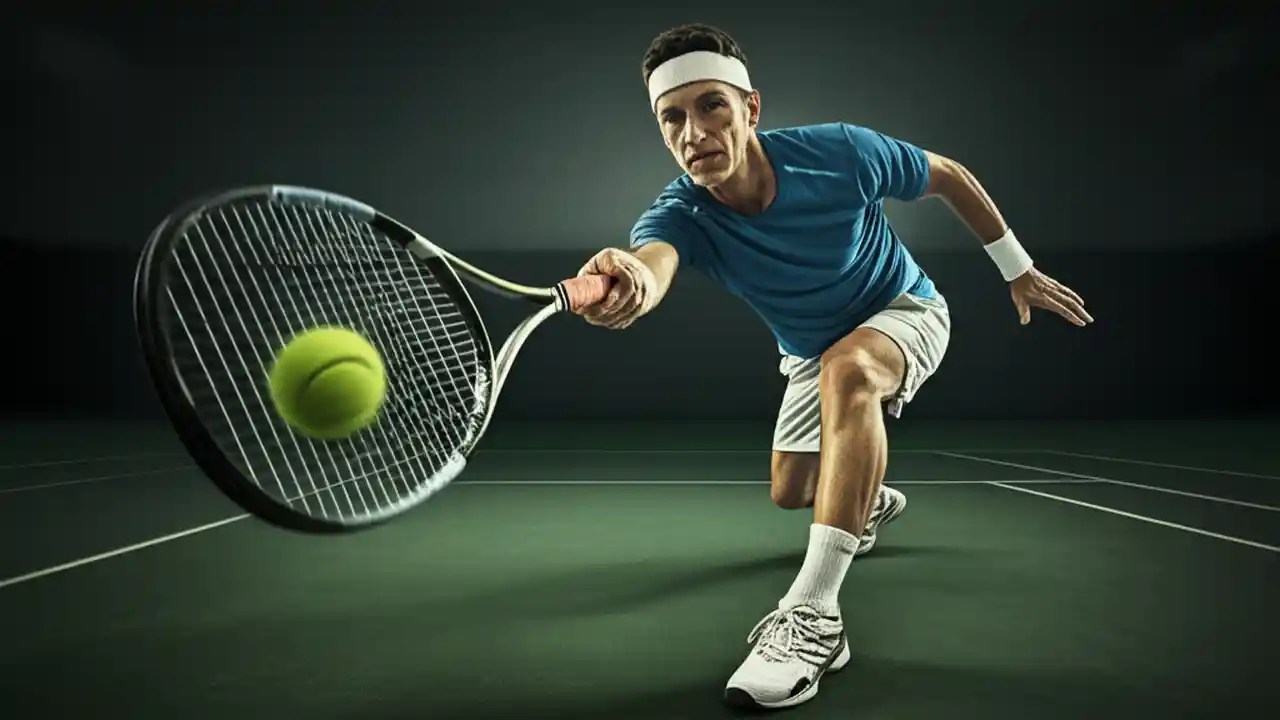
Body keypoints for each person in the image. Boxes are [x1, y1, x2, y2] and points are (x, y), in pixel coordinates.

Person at [571, 23, 1093, 710]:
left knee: (850, 375)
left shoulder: (843, 151)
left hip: (904, 311)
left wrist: (1017, 271)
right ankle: (867, 500)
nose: (692, 131)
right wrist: (631, 277)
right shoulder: (680, 215)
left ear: (750, 108)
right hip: (812, 352)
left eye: (711, 106)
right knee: (792, 490)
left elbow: (948, 177)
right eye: (672, 116)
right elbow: (653, 264)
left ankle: (816, 617)